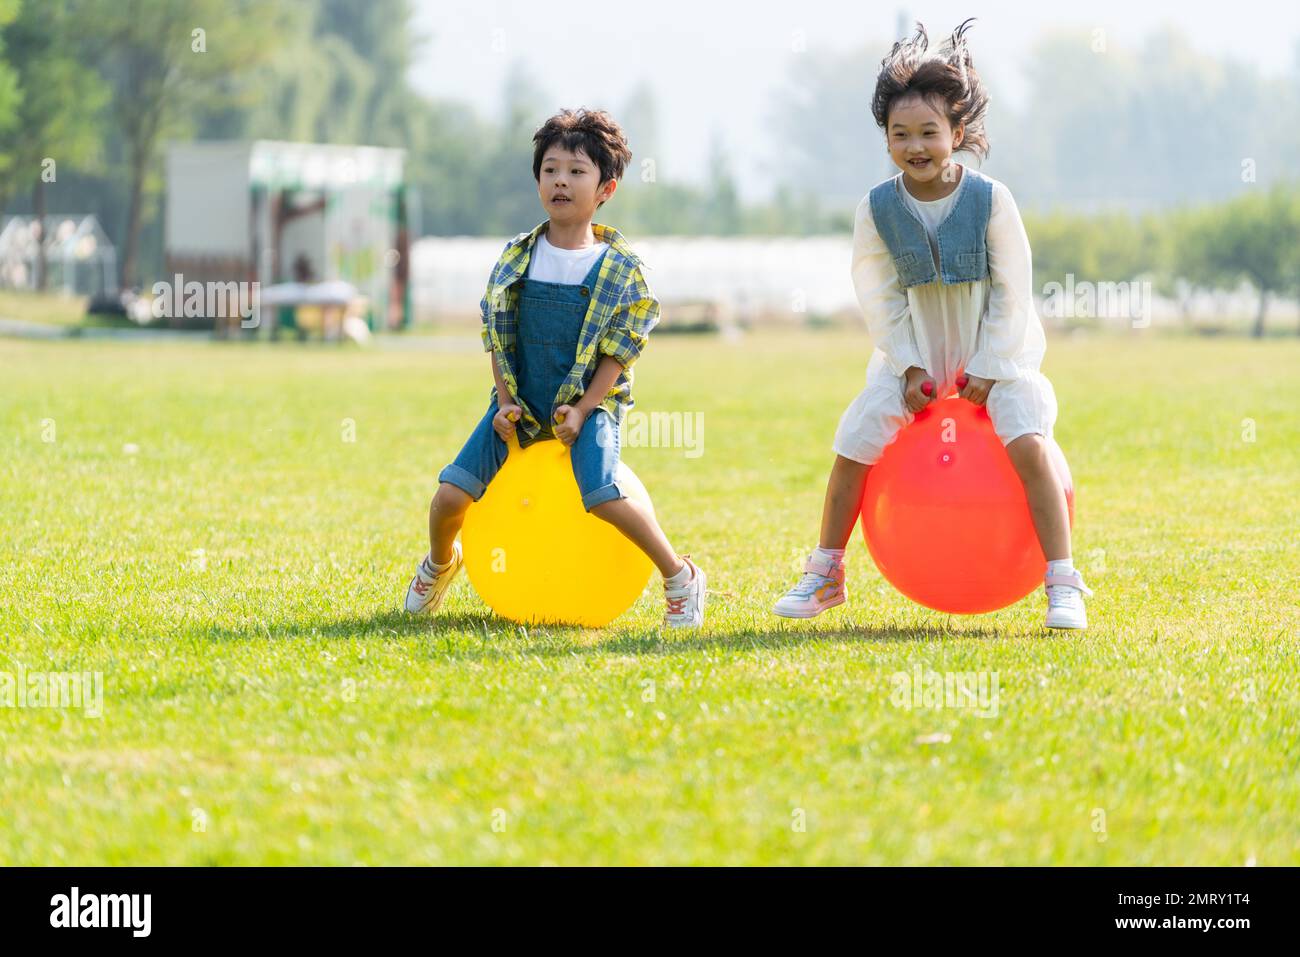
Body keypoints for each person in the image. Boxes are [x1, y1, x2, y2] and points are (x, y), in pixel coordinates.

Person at [772, 18, 1093, 629]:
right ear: (885, 137)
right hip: (915, 360)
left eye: (928, 132)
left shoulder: (992, 199)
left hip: (998, 361)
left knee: (1029, 444)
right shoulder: (877, 207)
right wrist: (909, 363)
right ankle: (826, 571)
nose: (915, 146)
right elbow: (879, 294)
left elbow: (1012, 289)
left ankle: (1062, 580)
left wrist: (992, 367)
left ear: (958, 132)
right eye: (900, 134)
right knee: (854, 444)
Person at [405, 108, 706, 627]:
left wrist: (586, 408)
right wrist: (503, 402)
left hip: (591, 404)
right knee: (450, 495)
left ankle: (680, 575)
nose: (561, 181)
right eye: (550, 170)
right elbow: (497, 335)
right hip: (521, 402)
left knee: (602, 496)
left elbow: (621, 346)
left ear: (606, 187)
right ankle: (439, 563)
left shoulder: (618, 269)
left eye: (576, 171)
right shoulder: (517, 257)